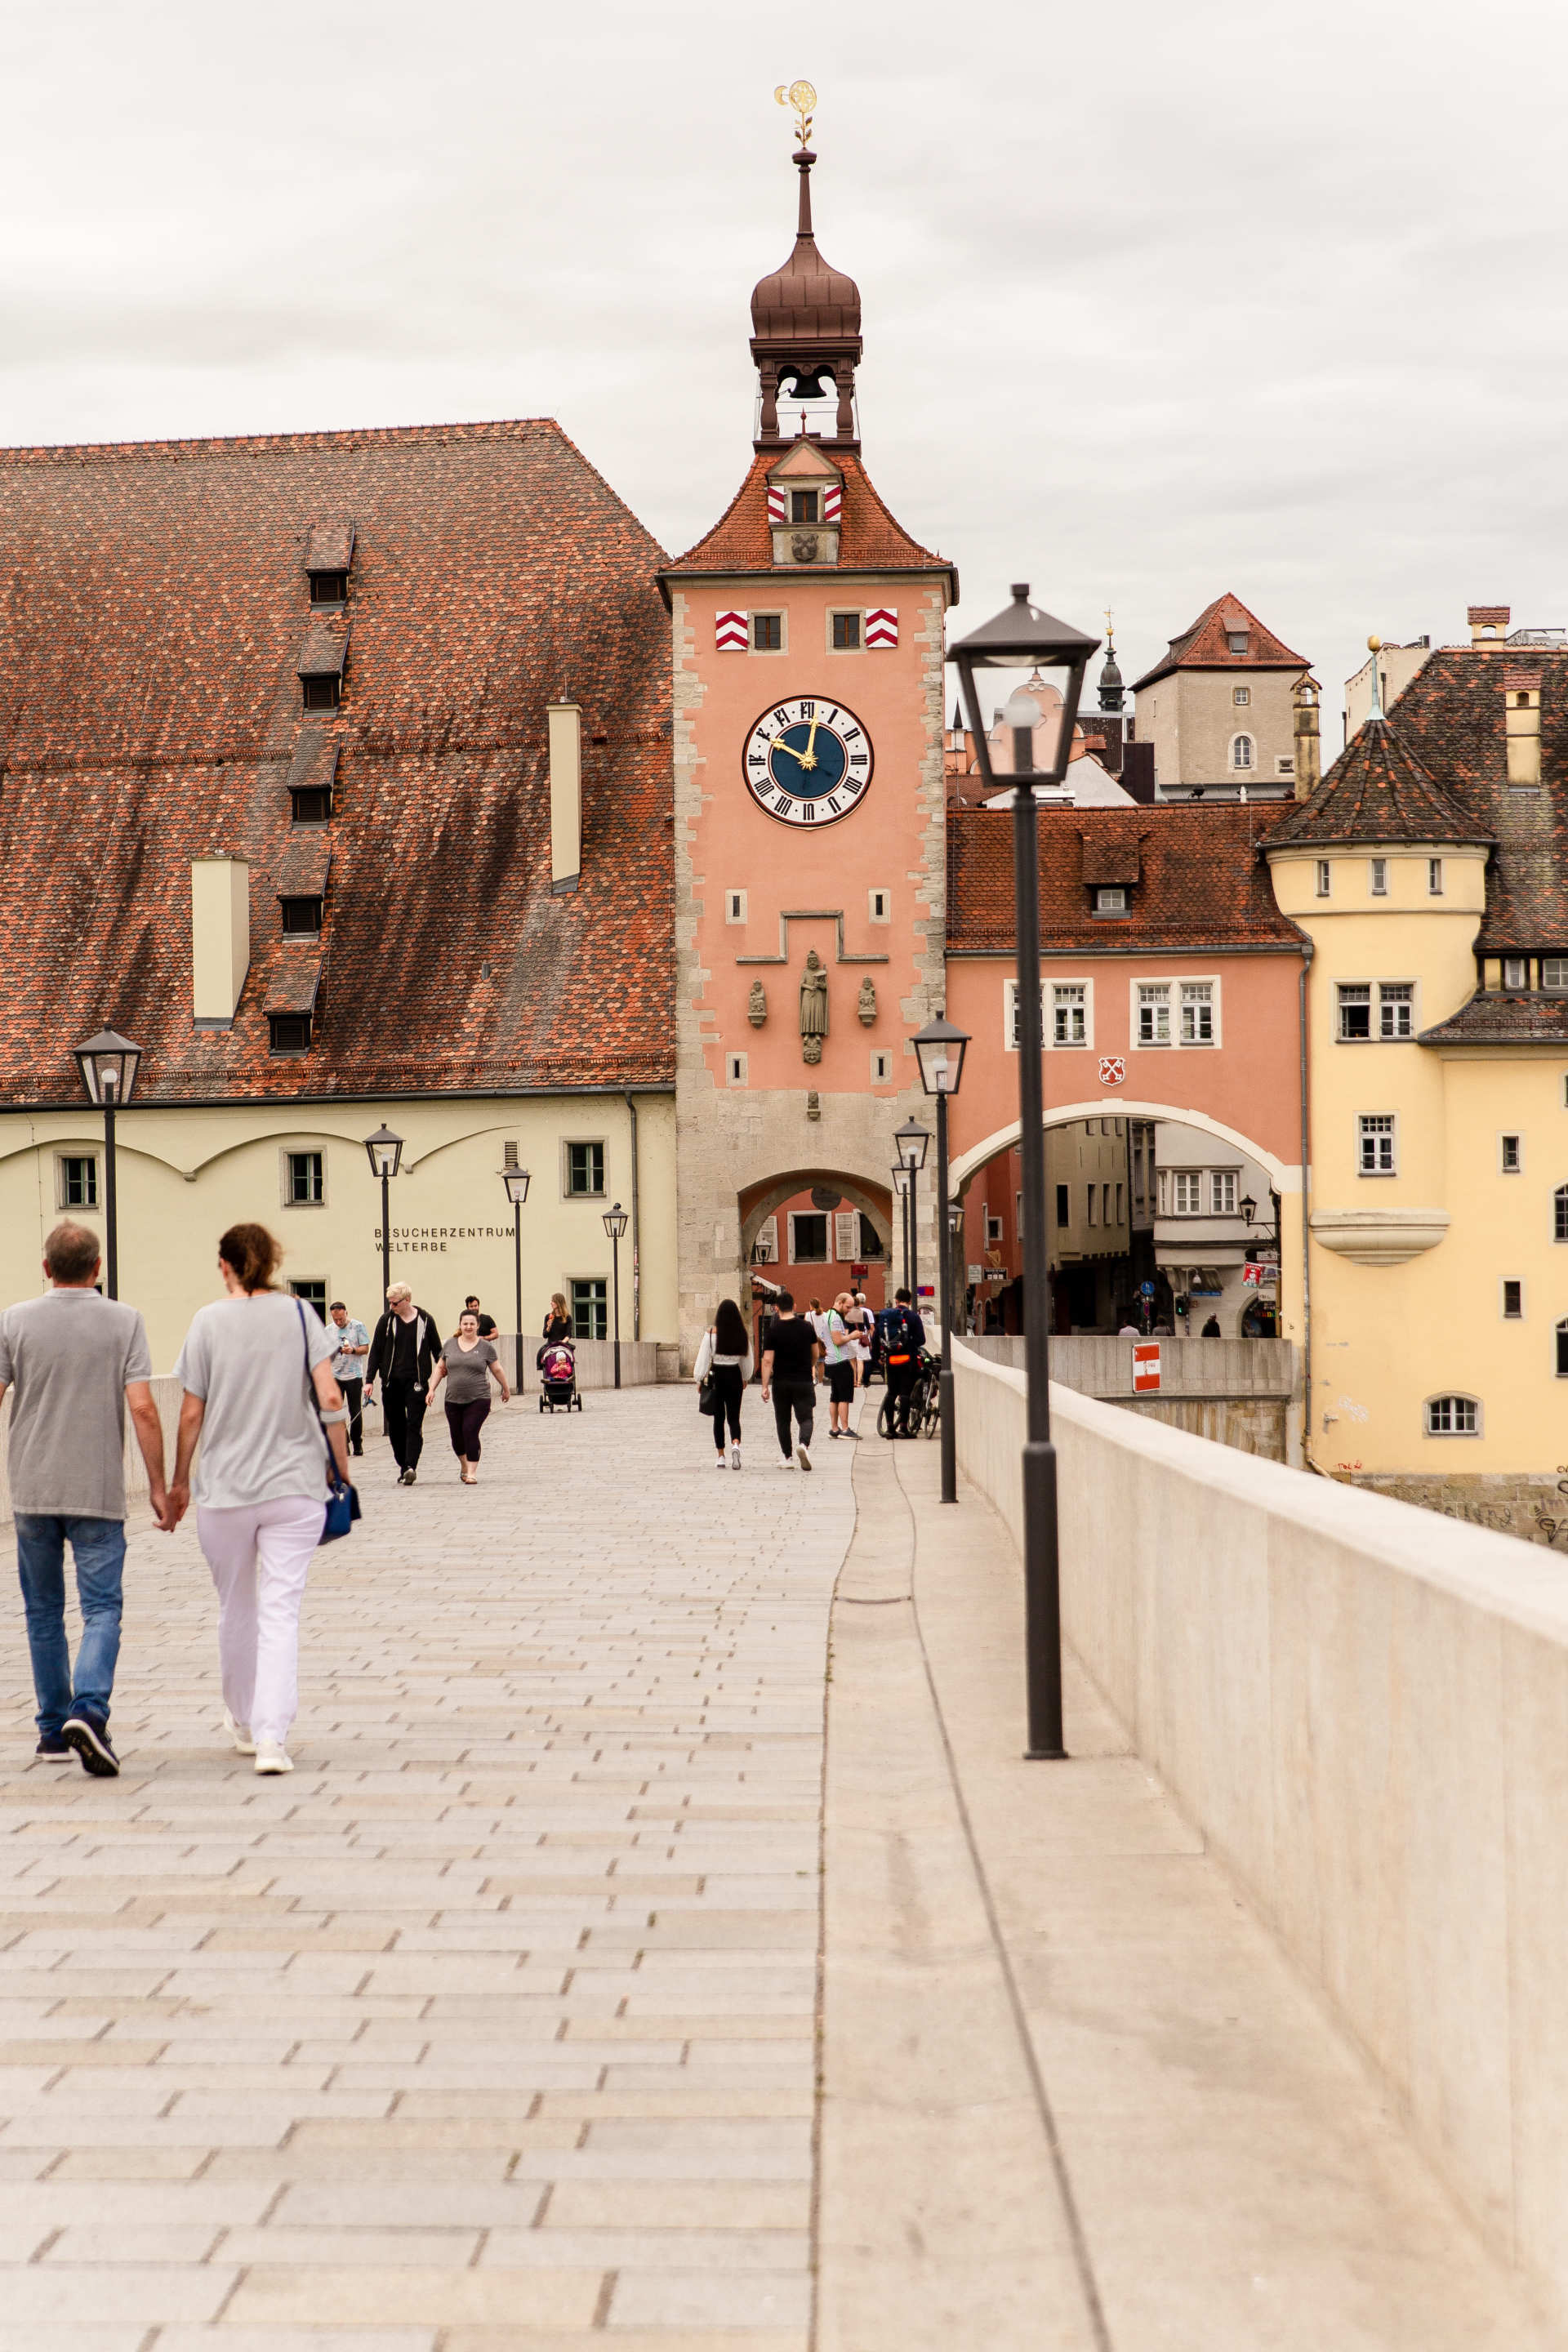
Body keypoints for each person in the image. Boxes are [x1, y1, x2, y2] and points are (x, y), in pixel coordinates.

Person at [169, 1223, 350, 1776]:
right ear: (272, 1263)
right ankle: (273, 1739)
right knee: (280, 1610)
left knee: (236, 1607)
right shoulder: (300, 1315)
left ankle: (244, 1722)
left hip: (224, 1489)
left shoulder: (206, 1321)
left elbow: (192, 1413)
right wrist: (341, 1472)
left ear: (223, 1265)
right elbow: (329, 1394)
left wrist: (178, 1483)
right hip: (294, 1486)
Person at [0, 1221, 172, 1776]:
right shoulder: (125, 1321)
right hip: (96, 1489)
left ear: (45, 1268)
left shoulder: (14, 1320)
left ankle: (52, 1731)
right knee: (102, 1607)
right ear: (98, 1269)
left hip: (31, 1486)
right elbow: (144, 1408)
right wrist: (158, 1485)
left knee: (43, 1611)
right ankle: (90, 1710)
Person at [364, 1284, 441, 1485]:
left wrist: (439, 1376)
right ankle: (404, 1466)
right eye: (390, 1302)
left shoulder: (425, 1320)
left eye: (395, 1303)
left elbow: (437, 1350)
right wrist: (369, 1380)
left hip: (417, 1383)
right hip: (391, 1382)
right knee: (396, 1427)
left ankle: (411, 1466)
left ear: (407, 1300)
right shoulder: (387, 1321)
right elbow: (376, 1351)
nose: (392, 1306)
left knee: (414, 1424)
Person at [430, 1309, 510, 1483]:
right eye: (465, 1323)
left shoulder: (485, 1347)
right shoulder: (450, 1345)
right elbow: (439, 1368)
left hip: (479, 1398)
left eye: (472, 1324)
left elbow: (496, 1369)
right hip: (453, 1399)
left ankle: (472, 1473)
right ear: (460, 1325)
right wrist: (431, 1390)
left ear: (478, 1326)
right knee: (456, 1437)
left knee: (470, 1431)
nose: (468, 1327)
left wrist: (506, 1388)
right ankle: (464, 1466)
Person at [760, 1290, 820, 1471]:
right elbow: (816, 1353)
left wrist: (764, 1386)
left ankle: (787, 1457)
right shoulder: (807, 1327)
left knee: (783, 1420)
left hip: (781, 1382)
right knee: (806, 1417)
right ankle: (804, 1445)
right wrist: (810, 1366)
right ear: (794, 1306)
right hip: (803, 1380)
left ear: (777, 1308)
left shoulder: (773, 1331)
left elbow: (767, 1360)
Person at [694, 1298, 752, 1470]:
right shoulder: (741, 1334)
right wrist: (745, 1377)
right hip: (734, 1374)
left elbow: (703, 1358)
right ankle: (736, 1444)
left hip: (717, 1377)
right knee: (734, 1416)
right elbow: (747, 1360)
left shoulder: (711, 1334)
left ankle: (721, 1456)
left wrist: (699, 1378)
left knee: (718, 1418)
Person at [879, 1288, 927, 1438]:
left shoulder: (887, 1316)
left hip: (891, 1360)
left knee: (891, 1393)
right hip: (907, 1360)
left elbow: (877, 1337)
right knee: (905, 1394)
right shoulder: (913, 1317)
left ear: (896, 1301)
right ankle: (904, 1428)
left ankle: (889, 1428)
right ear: (910, 1301)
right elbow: (921, 1340)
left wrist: (878, 1357)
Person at [328, 1301, 370, 1457]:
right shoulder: (328, 1330)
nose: (338, 1322)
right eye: (335, 1320)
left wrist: (352, 1350)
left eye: (341, 1319)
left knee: (355, 1410)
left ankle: (357, 1442)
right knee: (336, 1412)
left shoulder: (358, 1326)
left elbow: (365, 1348)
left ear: (346, 1313)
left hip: (353, 1375)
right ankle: (343, 1443)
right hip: (335, 1375)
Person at [822, 1292, 858, 1439]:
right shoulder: (835, 1318)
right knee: (844, 1396)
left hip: (831, 1360)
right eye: (848, 1307)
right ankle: (845, 1428)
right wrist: (852, 1336)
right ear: (840, 1302)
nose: (849, 1310)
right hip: (840, 1360)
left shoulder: (827, 1315)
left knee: (835, 1396)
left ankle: (835, 1428)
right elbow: (837, 1340)